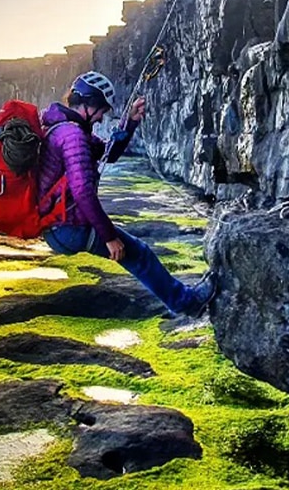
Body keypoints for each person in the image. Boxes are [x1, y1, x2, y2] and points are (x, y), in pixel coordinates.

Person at [37, 71, 216, 317]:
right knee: (139, 255)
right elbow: (83, 192)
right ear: (90, 103)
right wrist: (109, 236)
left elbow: (107, 153)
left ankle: (184, 301)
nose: (101, 117)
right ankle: (188, 303)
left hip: (57, 227)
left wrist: (129, 122)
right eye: (101, 109)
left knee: (137, 254)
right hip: (68, 228)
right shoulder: (73, 136)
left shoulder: (62, 127)